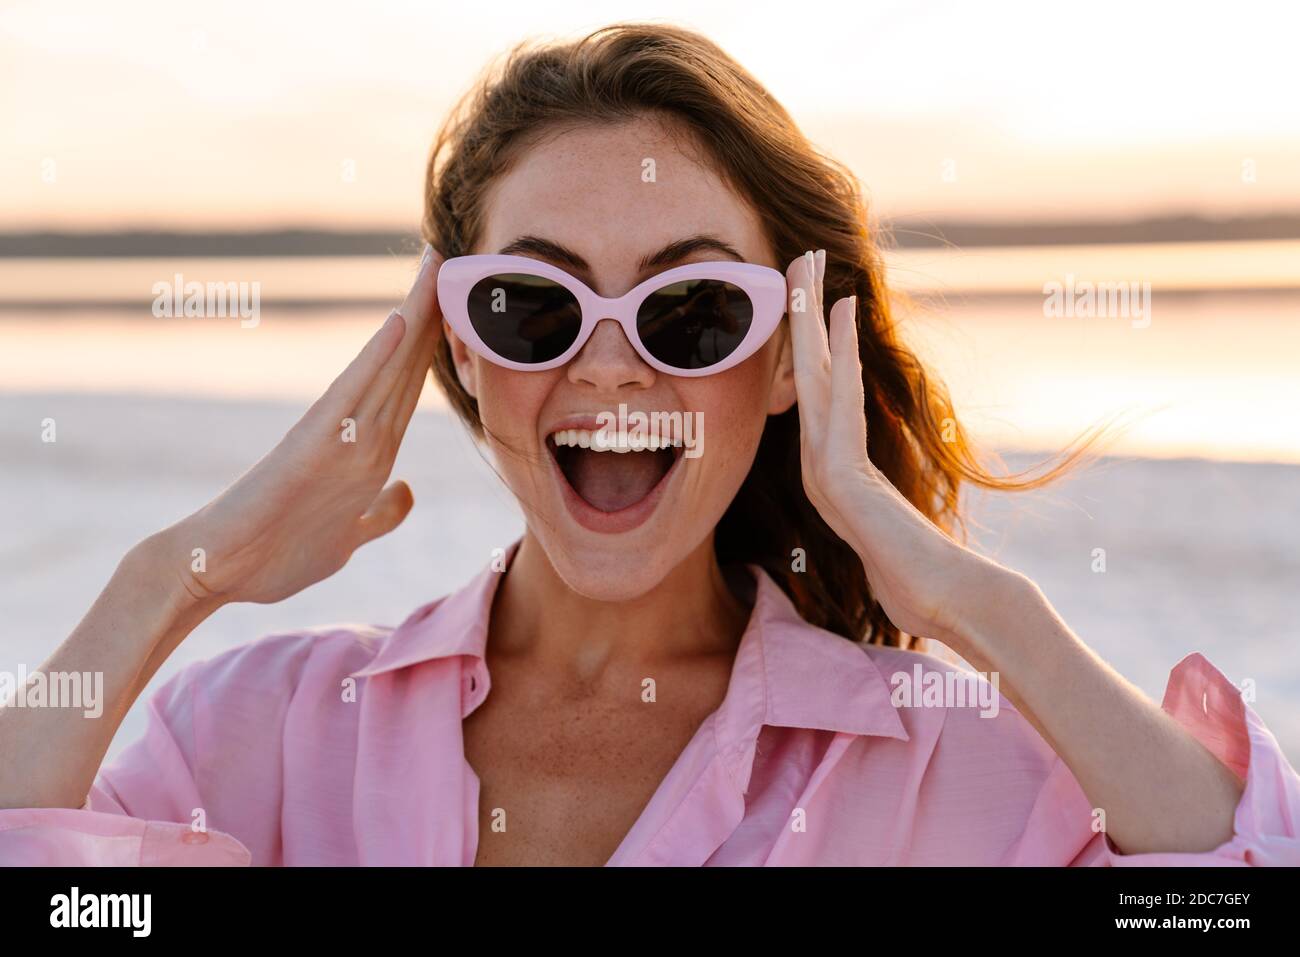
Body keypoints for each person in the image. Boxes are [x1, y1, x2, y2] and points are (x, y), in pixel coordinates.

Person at [2, 23, 1296, 866]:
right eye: (534, 304)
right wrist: (174, 575)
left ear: (790, 357)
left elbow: (1226, 876)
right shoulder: (267, 727)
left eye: (690, 309)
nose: (609, 362)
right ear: (458, 345)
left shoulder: (942, 755)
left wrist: (973, 601)